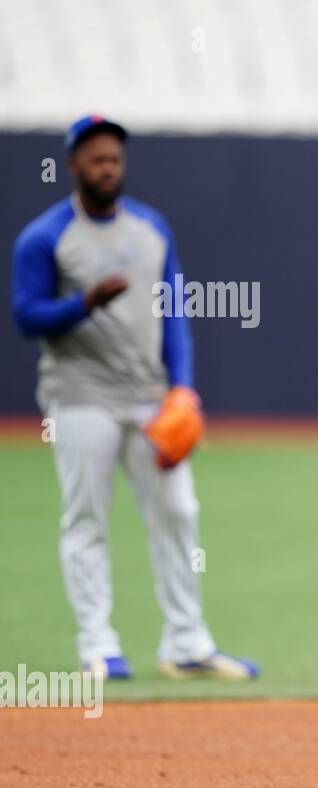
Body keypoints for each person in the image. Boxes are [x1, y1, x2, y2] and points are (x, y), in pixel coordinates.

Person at [10, 114, 259, 680]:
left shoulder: (150, 228)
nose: (106, 167)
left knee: (177, 510)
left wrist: (184, 390)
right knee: (87, 517)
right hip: (80, 396)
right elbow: (27, 317)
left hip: (147, 395)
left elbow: (175, 313)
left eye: (114, 159)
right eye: (95, 158)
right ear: (74, 164)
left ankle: (187, 643)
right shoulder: (46, 237)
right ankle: (98, 644)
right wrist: (84, 303)